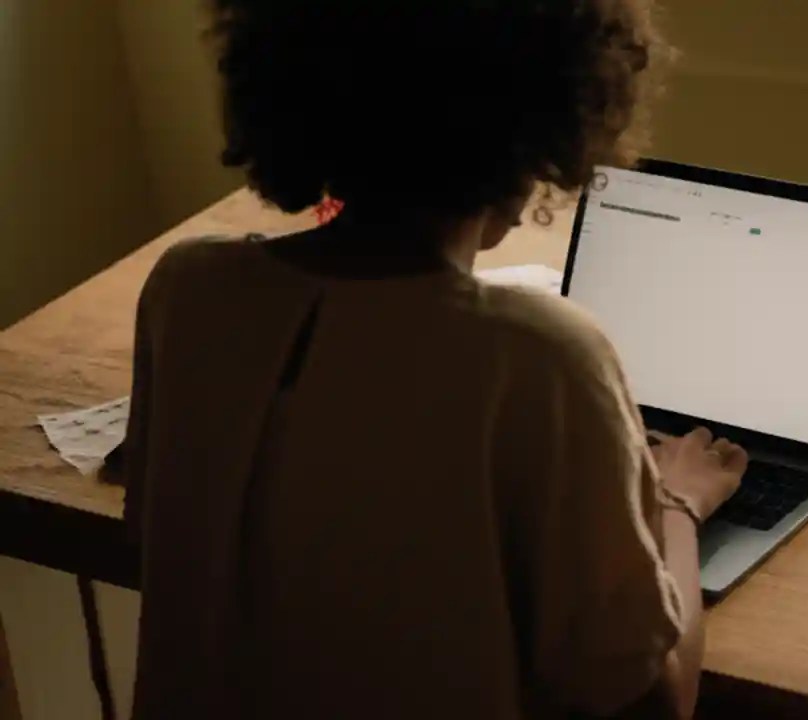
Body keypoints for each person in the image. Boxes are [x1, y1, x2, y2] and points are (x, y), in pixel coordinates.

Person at [110, 1, 748, 718]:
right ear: (543, 113)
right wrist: (678, 505)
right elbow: (656, 707)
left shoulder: (188, 290)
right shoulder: (542, 357)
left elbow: (162, 542)